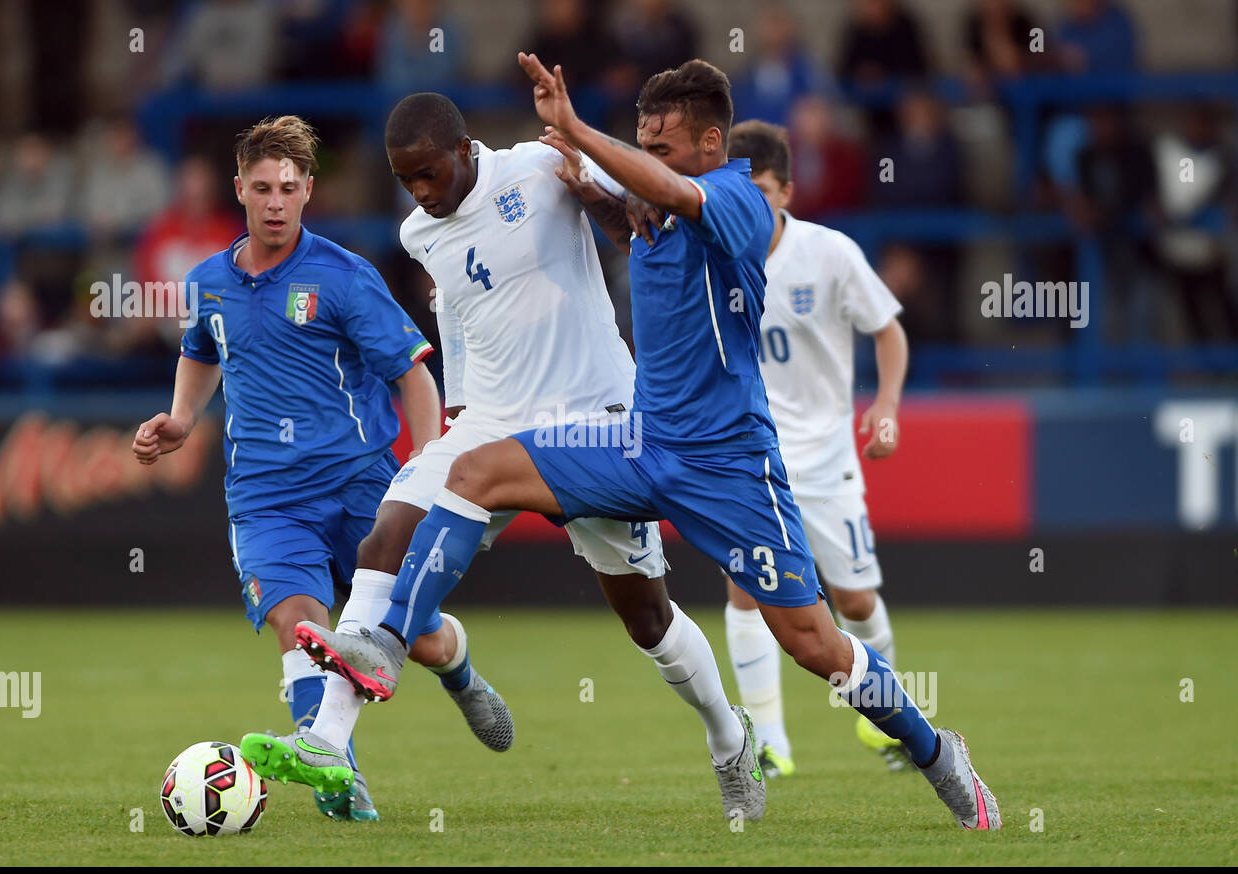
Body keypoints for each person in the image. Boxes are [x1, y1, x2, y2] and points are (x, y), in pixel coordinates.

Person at [298, 57, 1001, 830]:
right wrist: (597, 196)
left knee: (814, 644)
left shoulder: (738, 198)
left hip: (731, 466)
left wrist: (576, 133)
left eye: (659, 147)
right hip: (640, 441)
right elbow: (647, 223)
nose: (648, 161)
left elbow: (676, 196)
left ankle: (938, 754)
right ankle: (391, 643)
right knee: (471, 472)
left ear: (708, 142)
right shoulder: (654, 209)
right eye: (641, 141)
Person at [242, 92, 760, 821]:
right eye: (405, 180)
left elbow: (646, 207)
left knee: (647, 619)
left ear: (463, 150)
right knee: (387, 534)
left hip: (593, 417)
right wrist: (453, 414)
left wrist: (616, 193)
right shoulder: (420, 231)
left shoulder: (542, 166)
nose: (420, 192)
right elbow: (454, 312)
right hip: (490, 419)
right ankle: (328, 737)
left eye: (427, 173)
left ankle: (728, 738)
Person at [131, 115, 450, 822]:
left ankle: (457, 667)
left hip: (359, 481)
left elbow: (414, 375)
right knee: (300, 625)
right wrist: (182, 419)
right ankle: (339, 773)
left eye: (289, 188)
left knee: (414, 635)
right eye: (262, 187)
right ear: (238, 188)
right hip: (266, 498)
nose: (275, 201)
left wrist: (425, 467)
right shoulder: (208, 281)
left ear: (308, 190)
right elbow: (201, 349)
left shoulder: (344, 276)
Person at [722, 120, 911, 777]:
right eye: (742, 193)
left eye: (766, 192)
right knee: (748, 594)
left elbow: (888, 331)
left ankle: (881, 712)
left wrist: (885, 405)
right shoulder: (714, 254)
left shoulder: (829, 253)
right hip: (749, 457)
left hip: (827, 455)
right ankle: (771, 744)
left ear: (788, 190)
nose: (755, 206)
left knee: (853, 601)